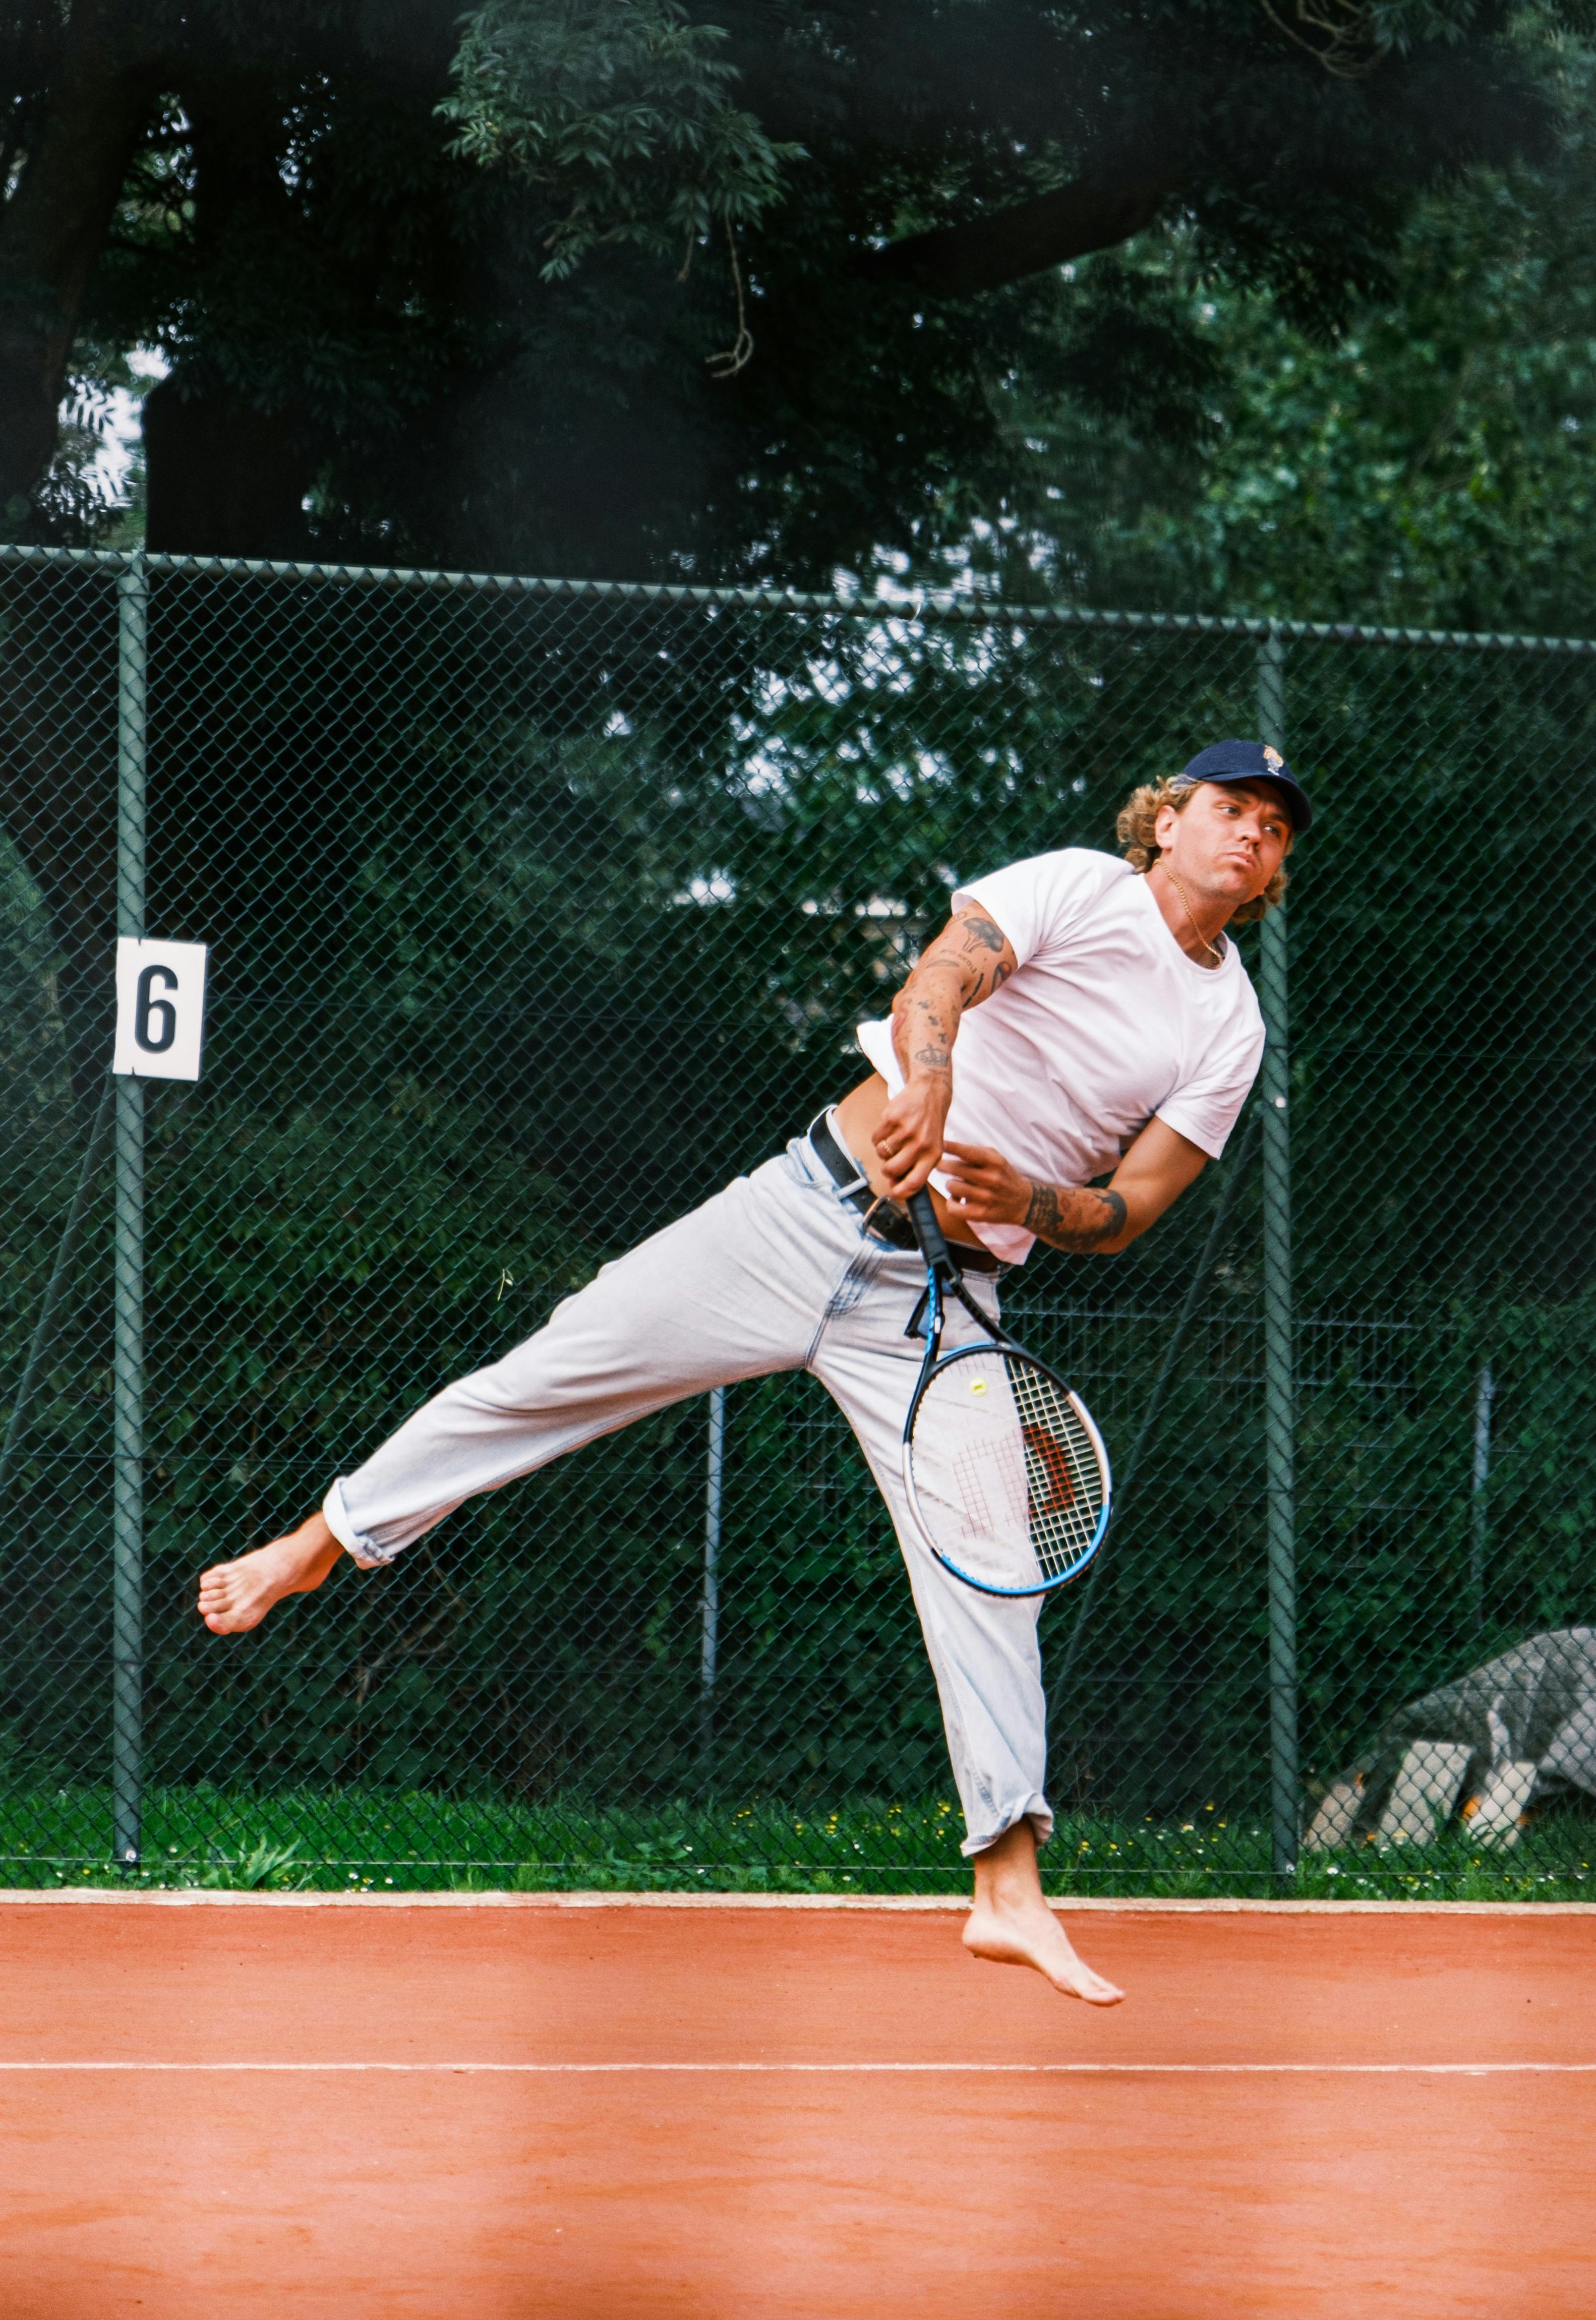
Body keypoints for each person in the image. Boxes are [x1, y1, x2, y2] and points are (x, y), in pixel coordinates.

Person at [198, 739, 1312, 2004]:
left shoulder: (1228, 1025)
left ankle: (1006, 1890)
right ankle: (325, 1537)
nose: (1247, 836)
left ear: (1273, 869)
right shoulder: (1073, 885)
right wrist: (932, 1090)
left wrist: (1036, 1196)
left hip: (941, 1299)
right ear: (1166, 820)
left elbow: (1134, 1204)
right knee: (549, 1371)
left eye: (1272, 829)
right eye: (1227, 809)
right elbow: (940, 975)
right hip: (802, 1213)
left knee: (996, 1566)